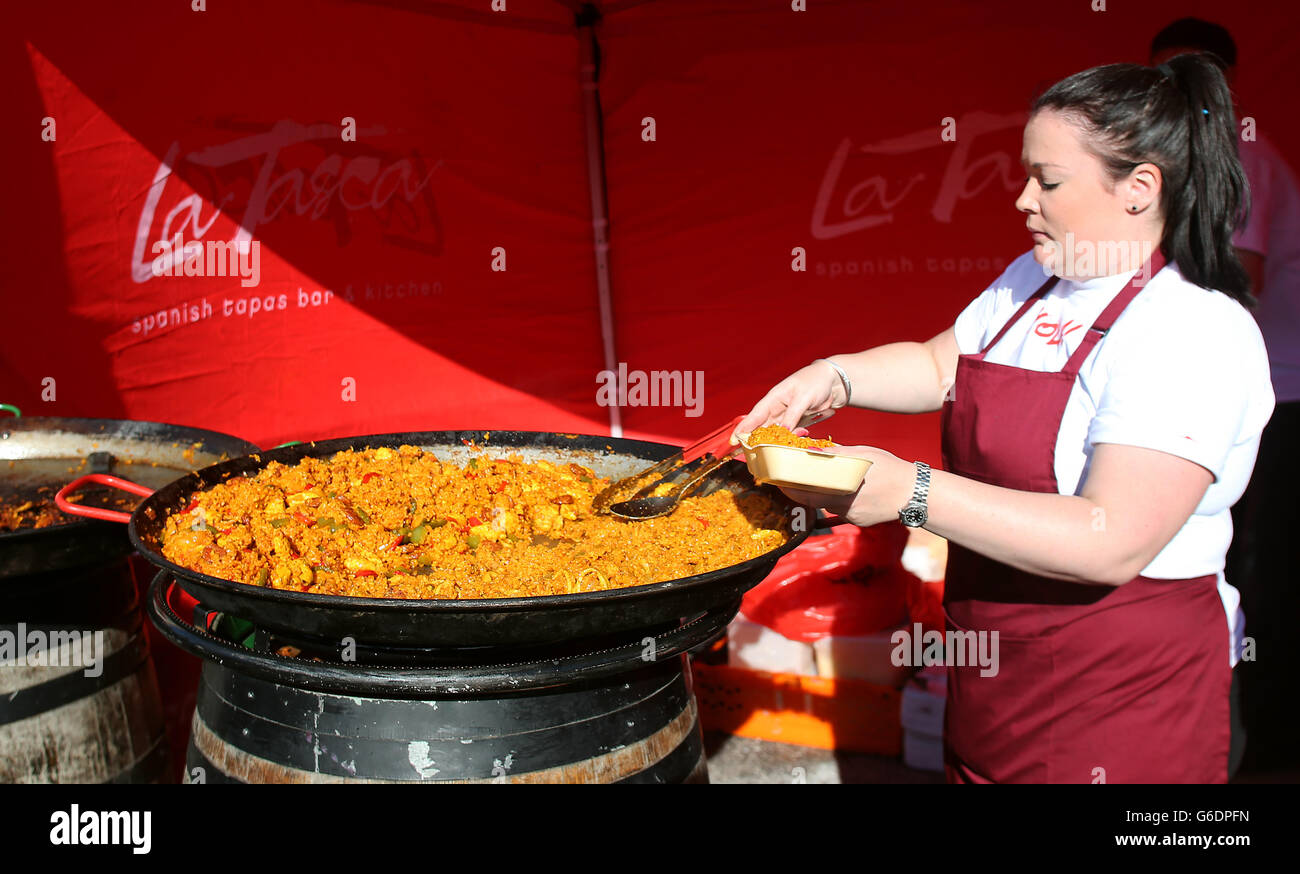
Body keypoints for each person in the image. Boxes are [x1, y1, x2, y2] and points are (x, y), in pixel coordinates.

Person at [736, 52, 1275, 783]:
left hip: (1123, 708)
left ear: (1139, 189)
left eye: (1047, 180)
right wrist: (834, 374)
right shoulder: (1036, 281)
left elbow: (1109, 539)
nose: (1023, 198)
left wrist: (910, 492)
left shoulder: (1191, 331)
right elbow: (937, 366)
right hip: (996, 691)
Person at [1151, 18, 1300, 777]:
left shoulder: (1246, 160)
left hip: (1277, 398)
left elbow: (1235, 279)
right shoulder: (1174, 164)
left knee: (1252, 570)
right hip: (1217, 394)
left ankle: (1255, 752)